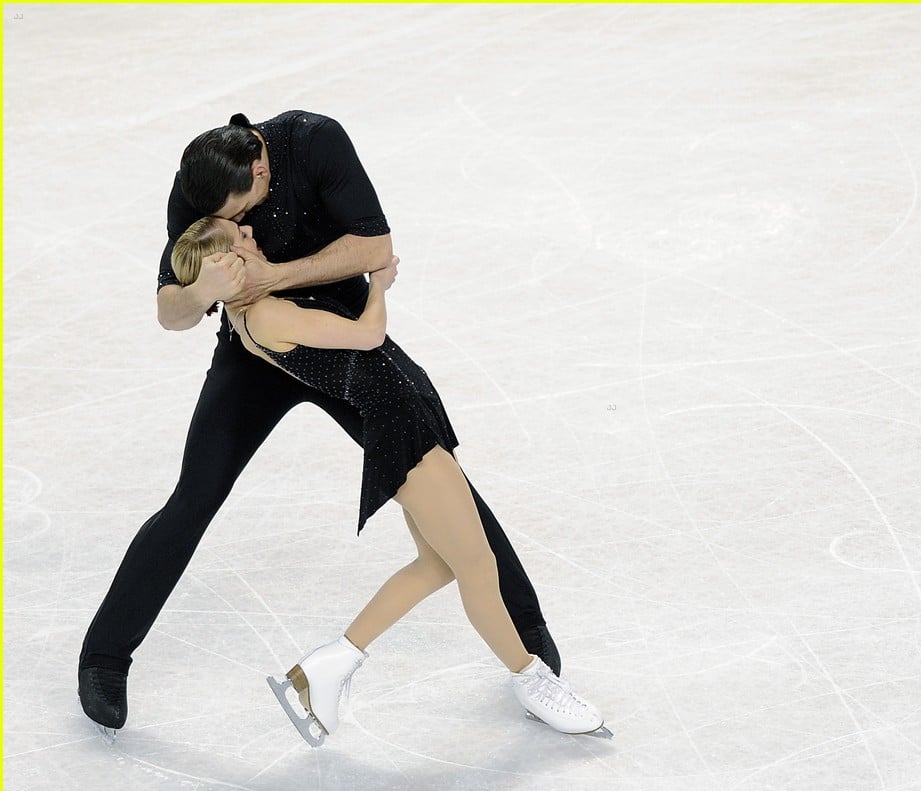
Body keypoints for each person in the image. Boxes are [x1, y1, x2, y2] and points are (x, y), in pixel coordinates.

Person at [78, 112, 561, 737]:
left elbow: (375, 248)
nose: (237, 229)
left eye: (242, 213)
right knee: (194, 496)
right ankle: (105, 656)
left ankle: (527, 634)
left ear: (261, 167)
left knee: (431, 461)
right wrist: (207, 293)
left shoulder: (312, 142)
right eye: (225, 224)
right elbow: (172, 308)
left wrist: (272, 280)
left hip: (340, 341)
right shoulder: (201, 183)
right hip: (256, 348)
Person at [168, 217, 606, 743]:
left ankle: (330, 665)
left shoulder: (254, 310)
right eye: (239, 238)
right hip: (403, 431)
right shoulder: (264, 313)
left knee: (438, 564)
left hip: (404, 420)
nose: (250, 233)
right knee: (477, 564)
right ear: (224, 265)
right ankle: (531, 680)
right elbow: (368, 334)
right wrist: (379, 286)